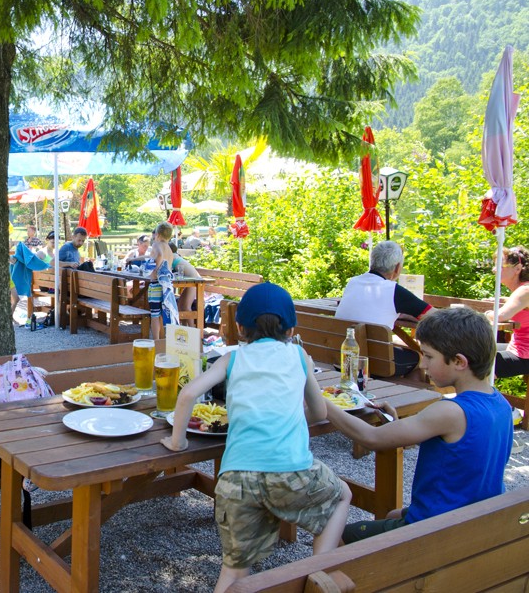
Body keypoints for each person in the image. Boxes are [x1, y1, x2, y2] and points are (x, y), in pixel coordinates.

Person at [162, 282, 351, 592]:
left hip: (236, 479)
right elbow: (319, 414)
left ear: (239, 327)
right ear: (291, 329)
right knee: (341, 495)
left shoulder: (232, 358)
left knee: (235, 570)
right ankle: (318, 572)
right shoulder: (300, 356)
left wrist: (177, 442)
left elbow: (188, 395)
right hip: (292, 472)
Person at [325, 307, 513, 544]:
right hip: (474, 518)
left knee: (336, 536)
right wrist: (394, 422)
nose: (422, 364)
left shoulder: (451, 412)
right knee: (393, 514)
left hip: (437, 530)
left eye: (429, 356)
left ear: (459, 361)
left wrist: (321, 401)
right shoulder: (501, 405)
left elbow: (371, 438)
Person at [334, 240, 433, 378]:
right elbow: (434, 315)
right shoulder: (394, 291)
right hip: (375, 364)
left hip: (342, 359)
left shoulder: (353, 282)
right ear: (397, 267)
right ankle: (414, 396)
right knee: (418, 358)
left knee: (396, 355)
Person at [486, 246, 529, 379]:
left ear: (517, 269)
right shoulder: (521, 290)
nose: (494, 270)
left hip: (524, 354)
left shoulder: (525, 291)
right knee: (473, 351)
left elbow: (500, 316)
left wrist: (487, 313)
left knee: (475, 364)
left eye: (500, 265)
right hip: (518, 348)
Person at [147, 222, 178, 340]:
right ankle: (166, 340)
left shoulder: (156, 244)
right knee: (165, 313)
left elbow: (158, 255)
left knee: (155, 314)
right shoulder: (169, 248)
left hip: (156, 283)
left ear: (158, 234)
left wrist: (155, 267)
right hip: (167, 285)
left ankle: (156, 341)